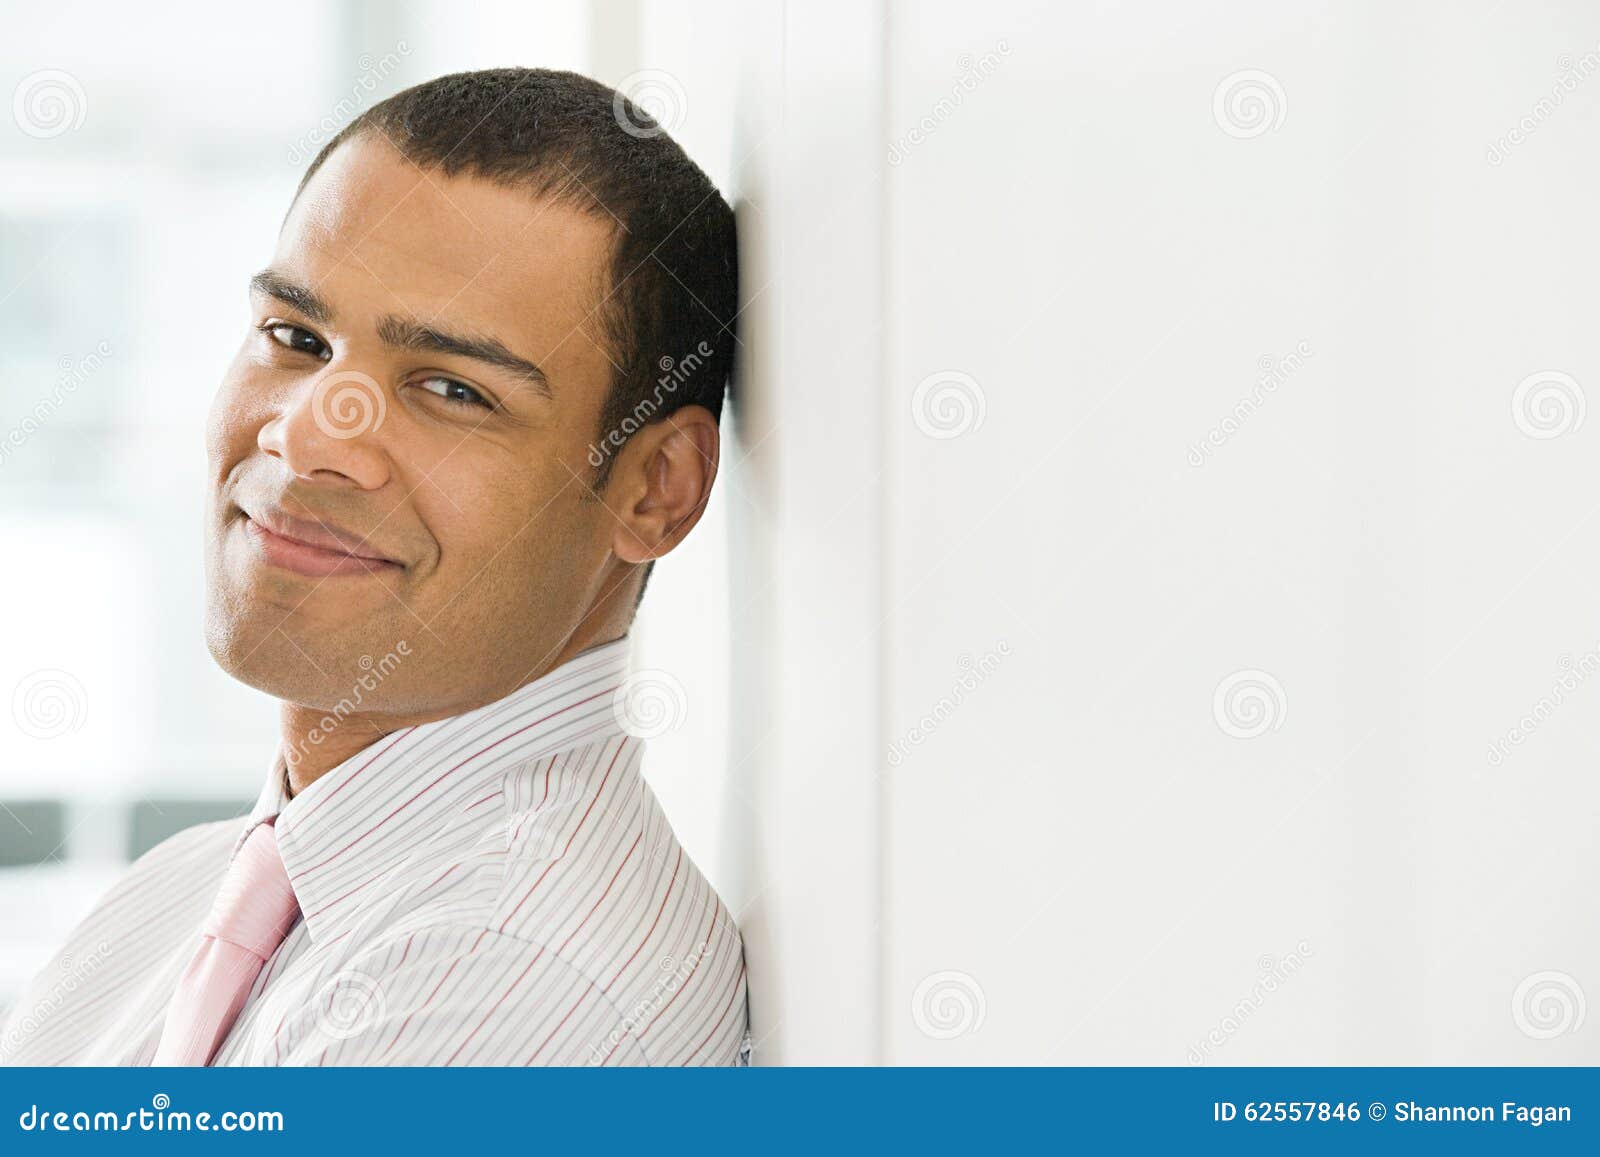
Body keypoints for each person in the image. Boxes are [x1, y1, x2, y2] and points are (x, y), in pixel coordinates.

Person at [0, 68, 747, 1067]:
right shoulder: (170, 900)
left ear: (655, 489)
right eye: (296, 337)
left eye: (451, 389)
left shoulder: (504, 975)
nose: (308, 435)